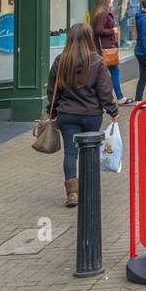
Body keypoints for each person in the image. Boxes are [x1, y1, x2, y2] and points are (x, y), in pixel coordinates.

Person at [46, 23, 119, 207]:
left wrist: (52, 111)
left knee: (70, 154)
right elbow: (104, 90)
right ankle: (89, 189)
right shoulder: (96, 61)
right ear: (89, 39)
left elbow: (52, 90)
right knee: (91, 151)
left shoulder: (60, 60)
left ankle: (72, 193)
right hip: (91, 114)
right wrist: (112, 110)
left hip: (67, 114)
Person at [91, 0, 131, 105]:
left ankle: (110, 98)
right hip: (106, 49)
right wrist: (112, 31)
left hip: (104, 47)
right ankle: (119, 98)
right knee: (114, 73)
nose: (113, 1)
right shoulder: (103, 13)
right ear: (106, 1)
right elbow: (98, 30)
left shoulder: (98, 12)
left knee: (104, 73)